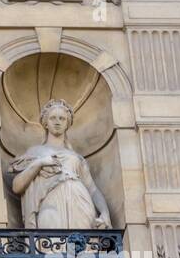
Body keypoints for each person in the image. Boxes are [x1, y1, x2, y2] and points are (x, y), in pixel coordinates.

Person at [9, 98, 110, 230]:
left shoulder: (76, 157)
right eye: (53, 118)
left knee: (83, 248)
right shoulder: (36, 152)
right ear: (45, 123)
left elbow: (93, 189)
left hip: (80, 203)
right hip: (50, 201)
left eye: (62, 119)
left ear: (67, 123)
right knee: (50, 243)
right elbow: (17, 186)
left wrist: (105, 213)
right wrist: (40, 163)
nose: (57, 122)